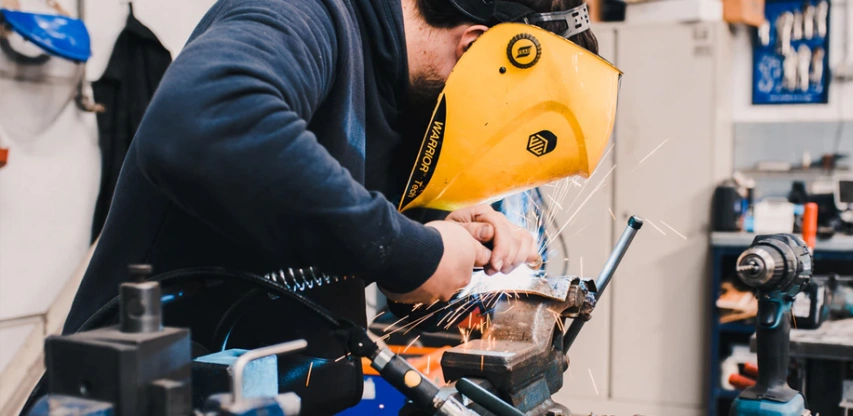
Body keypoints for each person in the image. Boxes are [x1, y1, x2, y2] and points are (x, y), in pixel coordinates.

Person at [64, 0, 599, 335]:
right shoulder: (309, 14)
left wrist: (442, 227)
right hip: (152, 387)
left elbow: (340, 212)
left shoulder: (404, 91)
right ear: (476, 46)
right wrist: (410, 252)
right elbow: (204, 120)